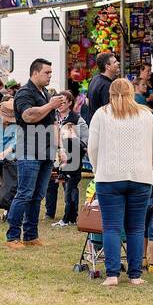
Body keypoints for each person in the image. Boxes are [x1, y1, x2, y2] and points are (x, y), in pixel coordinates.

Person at [87, 78, 153, 286]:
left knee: (111, 227)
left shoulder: (101, 115)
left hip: (108, 176)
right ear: (132, 92)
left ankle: (112, 275)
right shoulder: (146, 114)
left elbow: (93, 148)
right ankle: (135, 275)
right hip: (141, 177)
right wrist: (147, 166)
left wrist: (97, 168)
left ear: (110, 94)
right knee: (136, 228)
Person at [7, 59, 64, 248]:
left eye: (50, 72)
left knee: (38, 195)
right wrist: (50, 105)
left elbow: (53, 123)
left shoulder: (45, 93)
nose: (50, 76)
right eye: (47, 72)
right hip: (29, 150)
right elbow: (27, 116)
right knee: (25, 193)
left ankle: (31, 235)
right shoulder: (24, 93)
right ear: (35, 73)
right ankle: (12, 236)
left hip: (46, 151)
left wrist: (59, 148)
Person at [46, 91, 86, 227]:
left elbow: (85, 141)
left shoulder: (77, 119)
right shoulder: (52, 117)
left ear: (70, 103)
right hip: (54, 157)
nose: (61, 105)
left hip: (71, 158)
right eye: (59, 101)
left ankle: (70, 216)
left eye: (64, 102)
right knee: (51, 186)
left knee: (70, 187)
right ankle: (49, 212)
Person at [83, 53, 120, 123]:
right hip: (102, 127)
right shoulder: (107, 86)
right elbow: (110, 112)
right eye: (115, 62)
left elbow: (87, 102)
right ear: (107, 66)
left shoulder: (95, 78)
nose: (118, 63)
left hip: (93, 124)